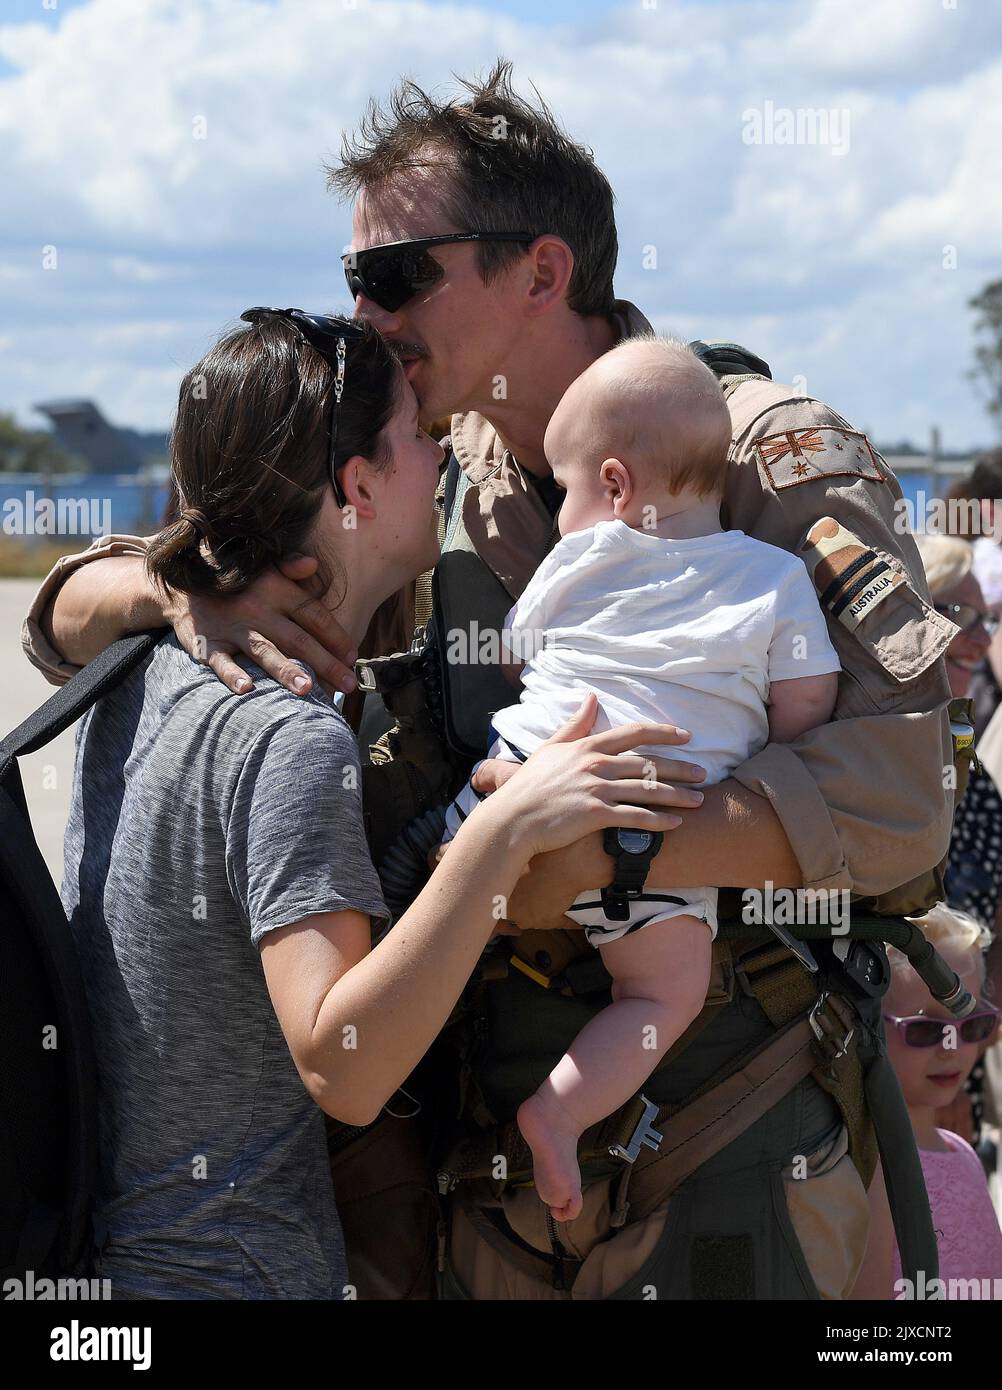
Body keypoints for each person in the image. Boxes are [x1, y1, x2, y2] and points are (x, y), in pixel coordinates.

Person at [23, 63, 958, 1299]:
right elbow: (67, 619)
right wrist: (175, 588)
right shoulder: (428, 485)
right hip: (482, 1175)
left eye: (398, 275)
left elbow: (904, 801)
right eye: (352, 282)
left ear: (543, 271)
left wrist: (600, 851)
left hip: (730, 1140)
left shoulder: (757, 458)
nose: (365, 316)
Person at [58, 307, 685, 1299]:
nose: (441, 458)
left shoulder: (147, 654)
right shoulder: (284, 731)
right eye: (420, 438)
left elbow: (59, 620)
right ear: (357, 484)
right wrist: (509, 831)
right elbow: (341, 1063)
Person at [439, 336, 840, 1221]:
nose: (564, 509)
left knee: (428, 897)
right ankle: (559, 1112)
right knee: (663, 993)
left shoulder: (572, 562)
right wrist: (750, 740)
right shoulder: (775, 578)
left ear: (615, 486)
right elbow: (810, 702)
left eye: (568, 487)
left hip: (519, 782)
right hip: (646, 834)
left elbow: (515, 659)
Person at [868, 904, 1002, 1298]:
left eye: (972, 1022)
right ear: (869, 1023)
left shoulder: (962, 1149)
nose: (952, 1047)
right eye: (926, 1029)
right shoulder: (870, 1168)